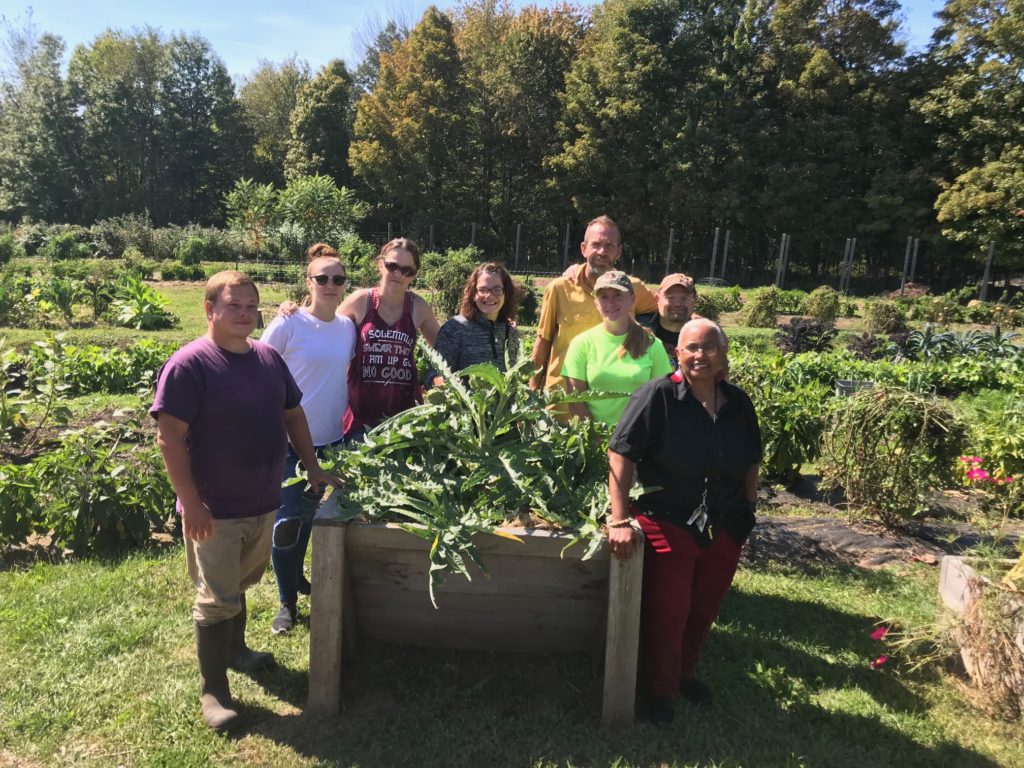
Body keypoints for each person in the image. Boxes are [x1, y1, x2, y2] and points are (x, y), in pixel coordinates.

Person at [151, 271, 340, 732]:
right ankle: (213, 690)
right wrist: (190, 503)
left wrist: (312, 468)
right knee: (216, 598)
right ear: (209, 309)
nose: (244, 314)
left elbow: (293, 413)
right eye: (233, 305)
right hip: (213, 510)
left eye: (251, 306)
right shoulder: (190, 364)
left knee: (241, 582)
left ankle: (236, 651)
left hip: (262, 500)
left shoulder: (267, 359)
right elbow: (168, 439)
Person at [606, 318, 761, 725]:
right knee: (669, 610)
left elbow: (752, 459)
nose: (699, 355)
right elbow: (622, 454)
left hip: (726, 524)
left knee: (703, 609)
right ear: (677, 353)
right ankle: (659, 689)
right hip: (668, 522)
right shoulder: (657, 396)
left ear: (723, 354)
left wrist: (749, 507)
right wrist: (619, 517)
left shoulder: (738, 403)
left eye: (709, 347)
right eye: (691, 347)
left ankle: (684, 673)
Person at [260, 244, 356, 635]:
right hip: (288, 443)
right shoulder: (289, 323)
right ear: (308, 282)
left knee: (310, 518)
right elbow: (258, 370)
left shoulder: (347, 327)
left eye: (338, 279)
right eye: (322, 278)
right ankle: (286, 603)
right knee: (287, 523)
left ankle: (297, 579)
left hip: (332, 440)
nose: (330, 285)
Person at [531, 216, 657, 391]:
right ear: (584, 249)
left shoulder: (633, 287)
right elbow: (543, 342)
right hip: (562, 400)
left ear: (618, 252)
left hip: (611, 402)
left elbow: (670, 307)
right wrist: (532, 392)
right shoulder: (559, 289)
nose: (602, 252)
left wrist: (646, 329)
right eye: (596, 245)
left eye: (610, 246)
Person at [339, 238, 440, 442]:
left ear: (414, 275)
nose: (398, 274)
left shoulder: (417, 307)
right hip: (360, 416)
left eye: (407, 270)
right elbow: (324, 329)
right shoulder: (361, 301)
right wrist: (295, 312)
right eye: (392, 266)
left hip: (404, 418)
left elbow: (446, 347)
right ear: (380, 264)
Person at [562, 271, 673, 425]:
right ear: (596, 303)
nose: (611, 302)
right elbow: (575, 400)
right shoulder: (581, 343)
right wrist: (595, 438)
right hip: (594, 441)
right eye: (604, 297)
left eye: (618, 295)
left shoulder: (653, 345)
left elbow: (663, 397)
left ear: (632, 299)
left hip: (638, 440)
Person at [430, 262, 520, 384]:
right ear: (473, 294)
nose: (489, 295)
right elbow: (432, 376)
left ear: (506, 293)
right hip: (465, 403)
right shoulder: (455, 329)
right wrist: (449, 383)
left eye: (497, 290)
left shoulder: (511, 332)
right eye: (482, 289)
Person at [638, 273, 697, 363]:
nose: (677, 304)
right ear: (657, 299)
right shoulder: (638, 328)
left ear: (694, 300)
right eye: (671, 297)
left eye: (684, 298)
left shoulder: (704, 334)